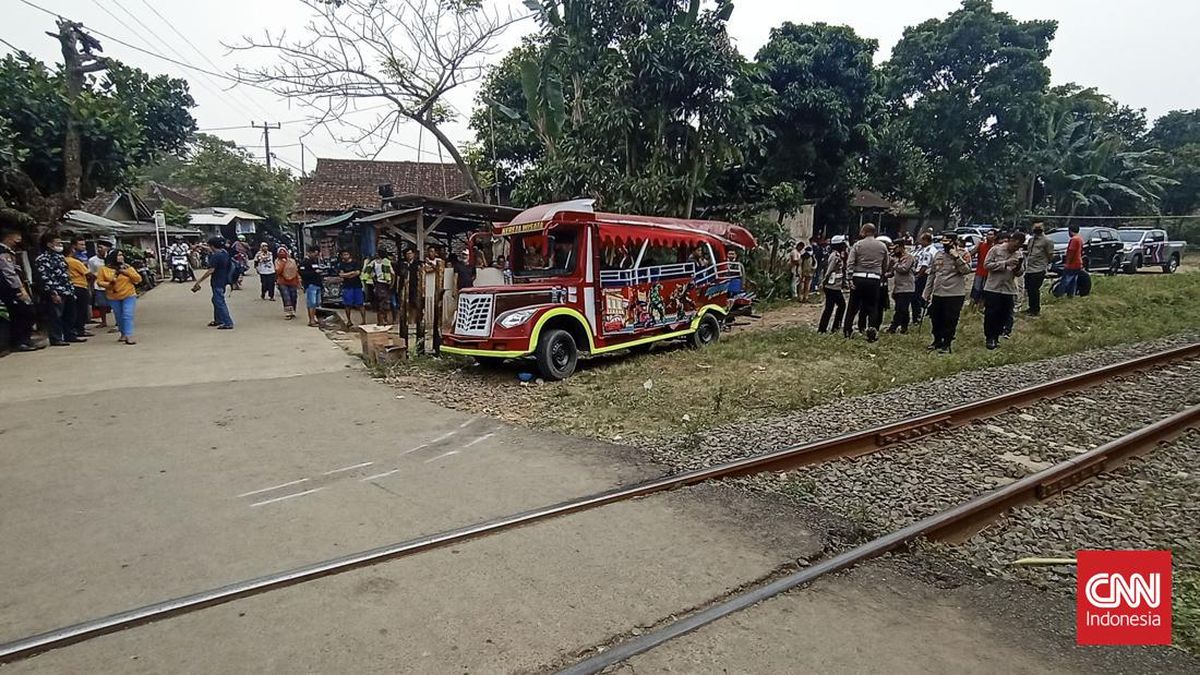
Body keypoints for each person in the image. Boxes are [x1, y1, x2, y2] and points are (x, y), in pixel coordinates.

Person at [923, 233, 973, 354]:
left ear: (954, 242)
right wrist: (927, 292)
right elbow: (932, 274)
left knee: (950, 319)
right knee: (935, 318)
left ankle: (947, 343)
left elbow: (966, 270)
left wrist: (956, 257)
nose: (945, 246)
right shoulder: (938, 255)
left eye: (948, 243)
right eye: (943, 243)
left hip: (954, 293)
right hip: (938, 292)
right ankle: (937, 340)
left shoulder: (963, 254)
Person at [842, 224, 892, 342]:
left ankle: (847, 330)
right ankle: (872, 330)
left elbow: (850, 263)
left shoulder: (858, 245)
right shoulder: (882, 246)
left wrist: (849, 278)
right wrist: (880, 274)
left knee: (853, 306)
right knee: (872, 306)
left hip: (859, 277)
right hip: (874, 279)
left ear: (865, 231)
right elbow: (886, 264)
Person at [34, 232, 82, 346]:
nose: (60, 245)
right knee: (55, 315)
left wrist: (71, 289)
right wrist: (53, 293)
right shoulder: (42, 259)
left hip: (67, 289)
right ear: (49, 244)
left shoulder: (60, 257)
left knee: (70, 314)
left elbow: (65, 274)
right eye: (57, 243)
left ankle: (69, 334)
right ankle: (56, 338)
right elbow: (45, 277)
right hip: (56, 290)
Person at [982, 231, 1026, 350]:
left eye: (1018, 246)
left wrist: (1017, 267)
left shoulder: (1019, 254)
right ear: (1010, 240)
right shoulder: (996, 250)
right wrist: (1005, 263)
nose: (1015, 248)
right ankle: (990, 338)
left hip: (1008, 288)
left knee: (1004, 314)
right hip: (993, 287)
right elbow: (986, 265)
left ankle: (997, 336)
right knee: (991, 314)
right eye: (1014, 245)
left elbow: (1020, 272)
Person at [0, 227, 39, 351]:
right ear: (8, 237)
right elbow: (9, 273)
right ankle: (19, 342)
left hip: (17, 287)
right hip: (10, 290)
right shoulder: (3, 252)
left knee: (27, 313)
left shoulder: (10, 251)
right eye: (17, 236)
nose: (20, 239)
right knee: (22, 313)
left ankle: (25, 340)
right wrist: (19, 289)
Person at [96, 248, 142, 344]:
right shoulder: (104, 269)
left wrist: (126, 273)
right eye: (119, 255)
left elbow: (138, 279)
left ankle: (129, 335)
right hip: (113, 296)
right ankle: (123, 333)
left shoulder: (127, 267)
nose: (121, 257)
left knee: (127, 314)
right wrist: (109, 284)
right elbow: (99, 282)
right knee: (119, 315)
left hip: (129, 294)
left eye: (122, 255)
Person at [192, 237, 234, 329]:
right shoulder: (224, 253)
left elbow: (211, 270)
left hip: (217, 281)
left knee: (219, 302)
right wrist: (200, 246)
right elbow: (211, 249)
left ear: (212, 246)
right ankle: (218, 320)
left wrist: (199, 281)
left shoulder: (216, 256)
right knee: (216, 300)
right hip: (223, 280)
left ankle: (228, 322)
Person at [817, 235, 847, 333]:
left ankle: (824, 328)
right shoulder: (835, 256)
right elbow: (829, 270)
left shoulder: (837, 255)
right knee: (840, 305)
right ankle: (833, 327)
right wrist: (824, 282)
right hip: (832, 286)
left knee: (831, 307)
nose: (844, 246)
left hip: (834, 285)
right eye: (843, 244)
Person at [66, 236, 94, 339]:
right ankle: (80, 329)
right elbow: (88, 273)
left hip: (72, 286)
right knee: (81, 309)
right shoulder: (74, 261)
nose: (84, 246)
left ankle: (77, 329)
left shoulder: (79, 257)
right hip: (79, 286)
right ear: (73, 248)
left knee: (75, 310)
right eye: (81, 244)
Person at [1023, 222, 1054, 316]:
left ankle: (1035, 310)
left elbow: (1050, 254)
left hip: (1039, 268)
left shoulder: (1047, 240)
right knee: (1028, 288)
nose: (1037, 228)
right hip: (1029, 268)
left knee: (1034, 289)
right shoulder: (1031, 240)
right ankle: (1030, 307)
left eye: (1039, 227)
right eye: (1035, 227)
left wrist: (1047, 264)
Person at [887, 240, 916, 334]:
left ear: (900, 247)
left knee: (901, 309)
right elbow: (892, 273)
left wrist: (895, 264)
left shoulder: (909, 257)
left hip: (907, 287)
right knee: (901, 308)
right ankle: (904, 327)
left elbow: (904, 269)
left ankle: (894, 327)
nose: (893, 251)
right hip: (898, 287)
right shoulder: (897, 258)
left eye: (895, 249)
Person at [363, 250, 395, 325]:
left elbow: (393, 274)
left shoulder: (386, 262)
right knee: (380, 302)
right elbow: (367, 272)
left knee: (383, 303)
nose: (376, 254)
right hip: (378, 283)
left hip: (384, 283)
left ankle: (382, 320)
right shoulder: (373, 262)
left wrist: (392, 283)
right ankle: (381, 320)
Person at [87, 240, 113, 331]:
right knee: (101, 304)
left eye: (102, 247)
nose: (99, 249)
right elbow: (90, 272)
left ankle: (118, 321)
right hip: (99, 284)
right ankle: (103, 321)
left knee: (115, 304)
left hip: (111, 284)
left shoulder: (111, 259)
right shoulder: (92, 260)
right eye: (98, 247)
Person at [912, 232, 936, 325]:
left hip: (923, 275)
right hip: (923, 274)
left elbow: (924, 266)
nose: (920, 241)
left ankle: (917, 317)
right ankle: (925, 305)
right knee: (918, 296)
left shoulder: (928, 251)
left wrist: (918, 276)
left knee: (916, 297)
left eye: (921, 240)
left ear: (926, 240)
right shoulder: (926, 249)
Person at [337, 250, 366, 327]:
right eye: (344, 255)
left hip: (357, 286)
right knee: (347, 304)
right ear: (342, 256)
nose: (345, 256)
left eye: (347, 254)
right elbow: (341, 275)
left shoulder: (355, 263)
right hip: (347, 286)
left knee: (360, 304)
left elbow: (357, 273)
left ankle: (364, 320)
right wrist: (351, 273)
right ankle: (349, 321)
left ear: (350, 255)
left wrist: (346, 275)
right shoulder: (341, 265)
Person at [970, 229, 996, 309]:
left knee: (986, 291)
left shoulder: (995, 248)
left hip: (990, 273)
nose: (988, 236)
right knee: (976, 290)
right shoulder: (981, 245)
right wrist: (977, 246)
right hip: (980, 272)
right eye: (988, 234)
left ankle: (982, 306)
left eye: (991, 234)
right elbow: (971, 254)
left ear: (995, 236)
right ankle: (972, 307)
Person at [299, 247, 325, 327]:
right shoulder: (304, 262)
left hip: (317, 284)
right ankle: (311, 320)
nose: (316, 256)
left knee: (316, 303)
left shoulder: (314, 261)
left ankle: (314, 318)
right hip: (310, 285)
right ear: (310, 252)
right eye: (315, 254)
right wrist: (314, 272)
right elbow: (303, 274)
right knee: (311, 303)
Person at [274, 247, 300, 320]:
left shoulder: (292, 261)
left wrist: (298, 281)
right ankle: (288, 313)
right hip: (282, 281)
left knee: (293, 296)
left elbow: (296, 271)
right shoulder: (277, 261)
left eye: (283, 251)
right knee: (286, 297)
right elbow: (278, 272)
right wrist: (283, 263)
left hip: (293, 281)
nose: (282, 253)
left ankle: (293, 311)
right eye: (280, 252)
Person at [1061, 223, 1084, 297]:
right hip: (1078, 263)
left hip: (1072, 264)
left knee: (1066, 280)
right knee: (1073, 280)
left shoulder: (1074, 239)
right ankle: (1071, 295)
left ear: (1070, 231)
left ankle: (1060, 294)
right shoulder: (1080, 239)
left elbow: (1071, 251)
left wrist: (1067, 263)